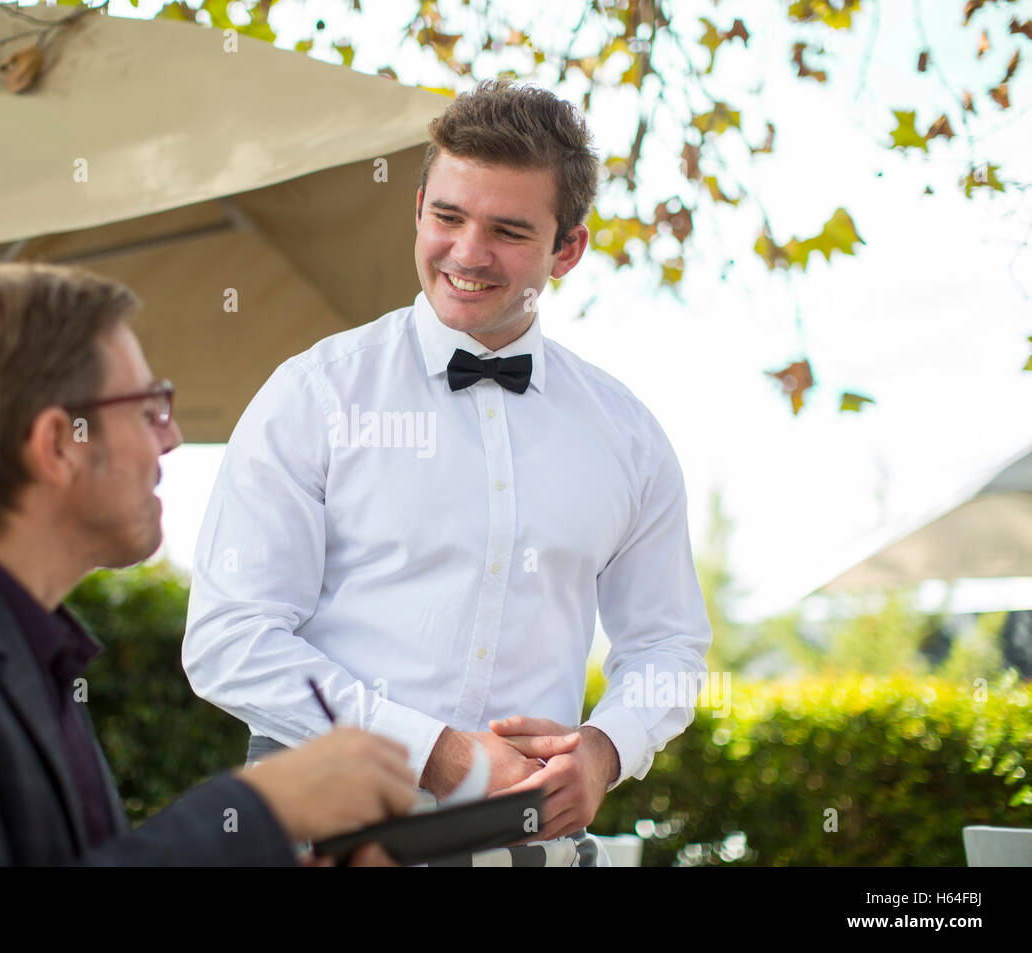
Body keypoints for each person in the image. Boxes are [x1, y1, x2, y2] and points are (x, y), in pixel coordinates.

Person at [182, 79, 713, 866]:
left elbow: (669, 645)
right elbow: (230, 639)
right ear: (419, 206)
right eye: (448, 217)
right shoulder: (314, 394)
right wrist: (440, 753)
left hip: (528, 849)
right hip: (322, 838)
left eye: (507, 230)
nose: (467, 253)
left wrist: (606, 749)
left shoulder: (627, 435)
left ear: (568, 248)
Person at [0, 262, 414, 866]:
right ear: (59, 443)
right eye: (148, 408)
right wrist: (254, 814)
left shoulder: (14, 642)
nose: (171, 438)